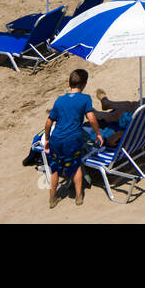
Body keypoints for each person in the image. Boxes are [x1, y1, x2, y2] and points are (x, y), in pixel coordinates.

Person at [42, 69, 102, 208]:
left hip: (56, 139)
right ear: (84, 84)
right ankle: (79, 196)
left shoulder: (59, 100)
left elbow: (48, 123)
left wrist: (46, 140)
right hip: (72, 140)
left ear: (69, 83)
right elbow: (91, 118)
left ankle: (52, 198)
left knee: (55, 169)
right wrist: (98, 133)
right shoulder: (85, 99)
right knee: (75, 166)